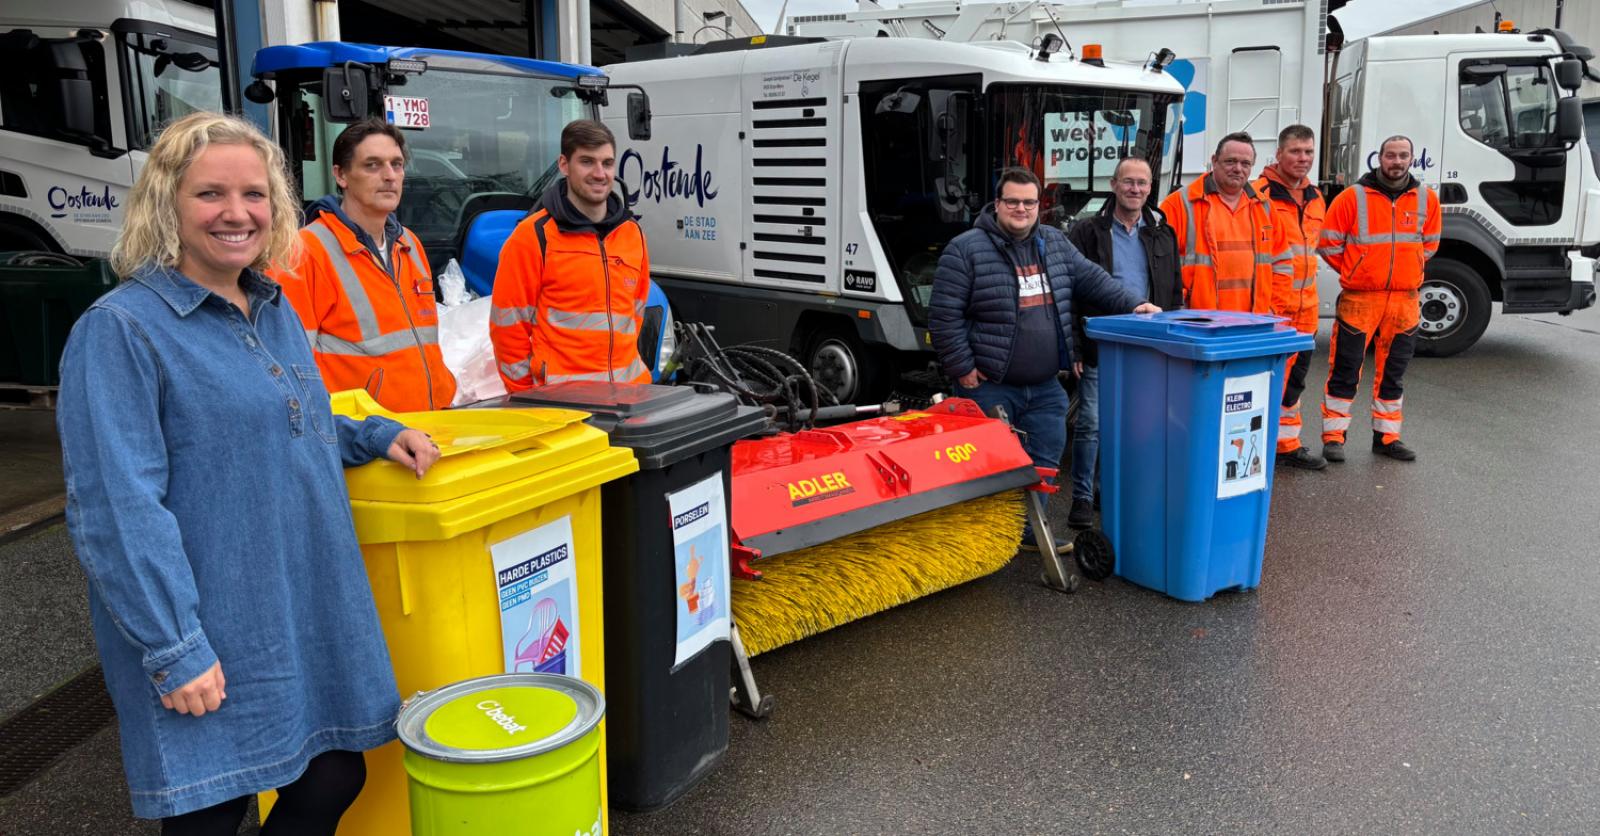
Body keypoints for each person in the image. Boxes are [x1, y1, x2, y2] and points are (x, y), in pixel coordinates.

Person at [55, 112, 440, 835]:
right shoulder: (121, 330)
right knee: (215, 804)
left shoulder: (270, 306)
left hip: (297, 600)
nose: (237, 213)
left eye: (255, 195)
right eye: (210, 195)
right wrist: (174, 647)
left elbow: (294, 414)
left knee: (333, 769)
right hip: (209, 617)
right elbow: (115, 507)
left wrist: (376, 434)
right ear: (166, 203)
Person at [930, 166, 1161, 549]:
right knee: (989, 467)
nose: (1021, 209)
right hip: (990, 384)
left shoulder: (1053, 243)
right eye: (1013, 202)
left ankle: (1029, 532)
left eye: (1029, 202)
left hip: (1044, 385)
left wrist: (1136, 305)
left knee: (1045, 457)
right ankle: (983, 542)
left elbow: (1094, 279)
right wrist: (962, 368)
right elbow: (944, 315)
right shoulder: (966, 249)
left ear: (1040, 206)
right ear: (998, 203)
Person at [272, 118, 456, 412]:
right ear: (341, 175)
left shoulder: (409, 244)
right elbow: (287, 370)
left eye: (397, 164)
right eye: (372, 165)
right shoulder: (302, 252)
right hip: (362, 440)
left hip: (429, 424)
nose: (389, 176)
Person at [1064, 156, 1182, 528]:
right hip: (1100, 342)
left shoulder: (1162, 232)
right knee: (1092, 424)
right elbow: (1067, 292)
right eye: (1128, 182)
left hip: (1148, 344)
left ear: (1150, 188)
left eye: (1142, 183)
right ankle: (1081, 498)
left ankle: (1110, 489)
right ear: (1114, 185)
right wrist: (1075, 347)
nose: (1135, 189)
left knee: (1137, 424)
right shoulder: (1086, 232)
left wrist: (1174, 336)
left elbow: (1174, 290)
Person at [490, 119, 651, 391]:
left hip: (629, 396)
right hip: (564, 404)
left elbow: (635, 313)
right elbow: (508, 330)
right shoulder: (533, 237)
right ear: (564, 165)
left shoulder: (632, 234)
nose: (600, 173)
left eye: (607, 163)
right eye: (587, 161)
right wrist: (529, 397)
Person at [1316, 134, 1440, 462]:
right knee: (1345, 369)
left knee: (1394, 372)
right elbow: (1328, 244)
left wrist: (1404, 270)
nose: (1396, 161)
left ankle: (1387, 437)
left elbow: (1429, 245)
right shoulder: (1351, 197)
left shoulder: (1428, 199)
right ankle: (1334, 437)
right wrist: (1359, 270)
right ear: (1379, 158)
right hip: (1360, 297)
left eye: (1403, 155)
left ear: (1411, 159)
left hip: (1404, 300)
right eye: (1390, 155)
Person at [1252, 124, 1329, 470]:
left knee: (1294, 383)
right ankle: (1258, 448)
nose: (1303, 158)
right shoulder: (1258, 195)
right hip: (1272, 310)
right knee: (1264, 383)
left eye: (1308, 152)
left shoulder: (1315, 197)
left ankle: (1286, 444)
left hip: (1306, 311)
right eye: (1296, 151)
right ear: (1279, 154)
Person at [1158, 131, 1292, 313]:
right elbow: (1160, 267)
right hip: (1198, 324)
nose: (1238, 168)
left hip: (1253, 325)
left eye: (1245, 163)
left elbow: (1282, 264)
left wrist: (1272, 310)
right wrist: (1181, 308)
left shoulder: (1265, 208)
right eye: (1230, 161)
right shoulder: (1179, 204)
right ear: (1214, 161)